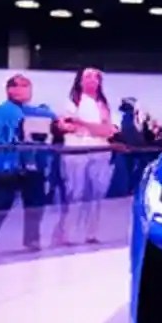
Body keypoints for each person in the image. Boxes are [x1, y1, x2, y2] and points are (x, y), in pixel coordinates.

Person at [0, 74, 58, 256]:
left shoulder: (38, 112)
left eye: (27, 86)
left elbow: (50, 121)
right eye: (21, 86)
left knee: (34, 204)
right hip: (6, 165)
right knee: (0, 205)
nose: (25, 90)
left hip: (32, 165)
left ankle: (32, 240)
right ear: (10, 89)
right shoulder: (0, 112)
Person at [55, 67, 118, 245]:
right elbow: (66, 127)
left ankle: (91, 232)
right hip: (76, 152)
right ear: (80, 80)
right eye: (88, 76)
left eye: (96, 77)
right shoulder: (70, 103)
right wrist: (95, 128)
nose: (92, 80)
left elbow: (107, 131)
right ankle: (68, 233)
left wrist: (81, 123)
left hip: (99, 152)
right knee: (75, 192)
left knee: (96, 193)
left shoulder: (102, 105)